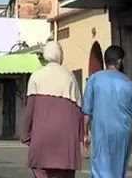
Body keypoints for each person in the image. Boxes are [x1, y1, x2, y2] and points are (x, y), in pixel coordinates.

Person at [81, 45, 132, 178]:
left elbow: (87, 111)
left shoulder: (94, 79)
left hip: (101, 132)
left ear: (106, 61)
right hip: (122, 133)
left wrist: (85, 134)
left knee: (100, 170)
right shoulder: (129, 83)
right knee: (118, 170)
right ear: (120, 62)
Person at [20, 41, 83, 178]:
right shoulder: (70, 77)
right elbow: (78, 111)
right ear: (61, 56)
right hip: (66, 143)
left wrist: (25, 135)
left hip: (42, 141)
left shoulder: (36, 77)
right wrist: (81, 136)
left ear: (44, 56)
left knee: (40, 171)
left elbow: (29, 111)